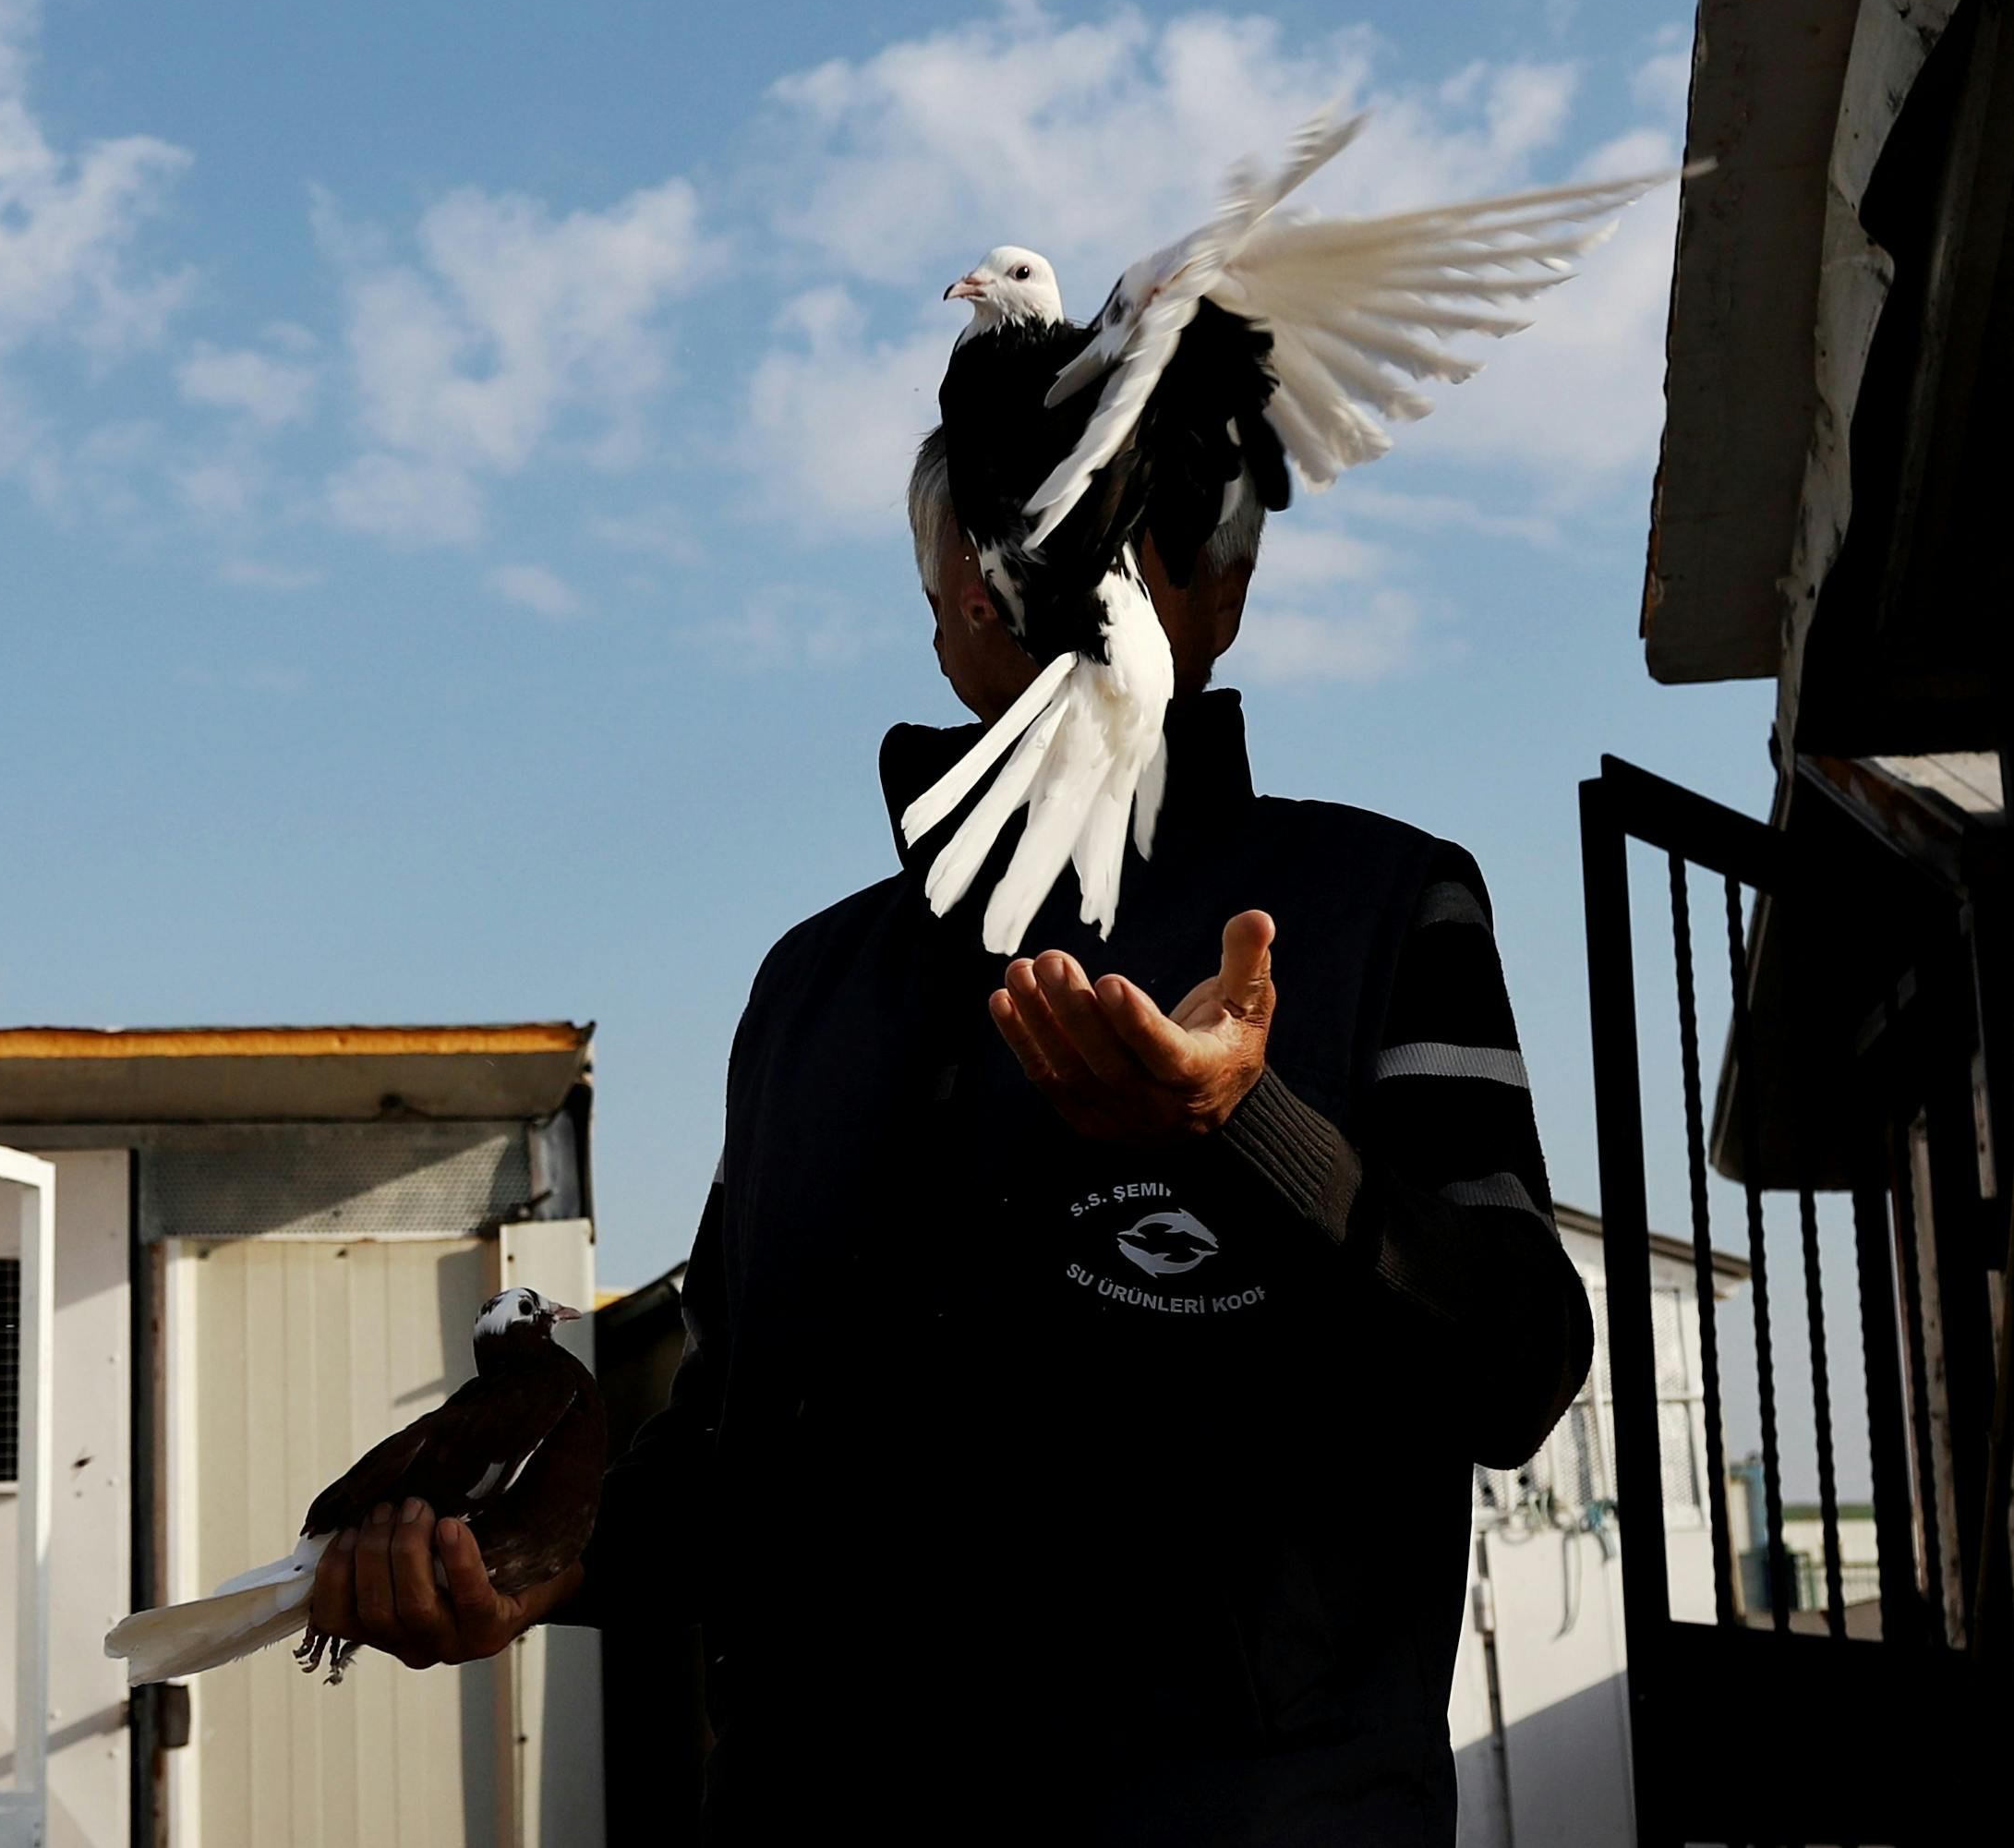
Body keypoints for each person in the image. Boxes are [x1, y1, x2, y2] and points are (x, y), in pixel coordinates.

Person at [310, 433, 1596, 1845]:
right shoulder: (809, 992)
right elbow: (740, 1456)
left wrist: (1248, 1126)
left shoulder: (1382, 906)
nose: (1029, 579)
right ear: (942, 602)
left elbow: (1517, 1366)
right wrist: (538, 1561)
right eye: (995, 541)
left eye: (1098, 534)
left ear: (1221, 591)